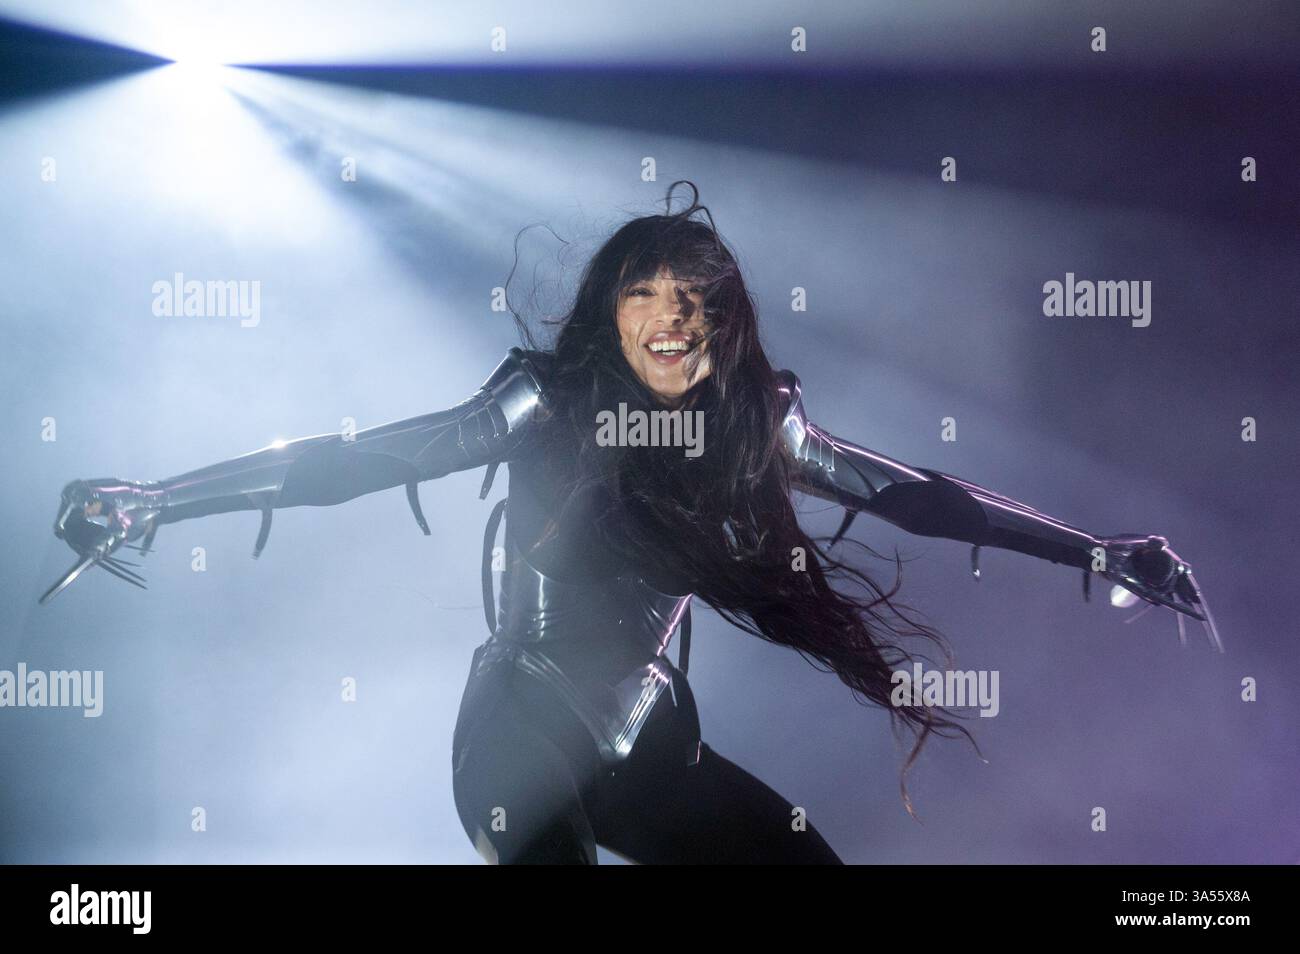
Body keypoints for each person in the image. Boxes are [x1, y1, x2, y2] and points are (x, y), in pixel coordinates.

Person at [43, 182, 1215, 864]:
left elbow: (911, 490)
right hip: (519, 732)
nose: (666, 322)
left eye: (690, 302)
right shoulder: (541, 399)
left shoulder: (762, 424)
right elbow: (365, 459)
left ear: (723, 321)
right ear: (613, 310)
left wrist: (1096, 550)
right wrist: (163, 495)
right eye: (642, 296)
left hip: (655, 750)